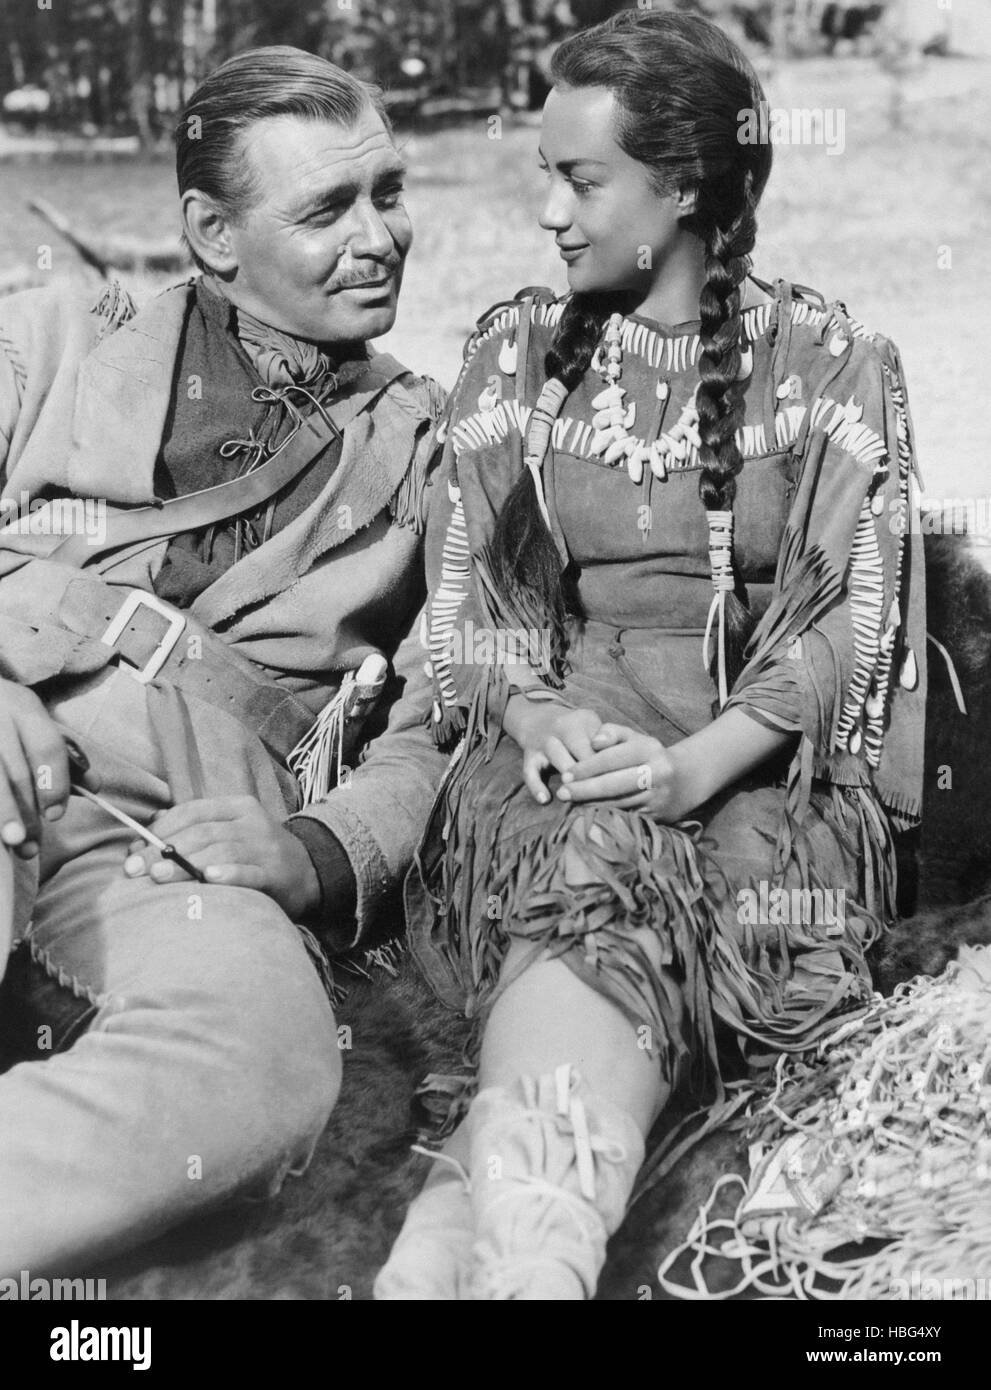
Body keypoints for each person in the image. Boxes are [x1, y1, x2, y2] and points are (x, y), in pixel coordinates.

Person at [374, 8, 926, 1300]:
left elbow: (848, 630)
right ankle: (532, 1264)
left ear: (680, 186)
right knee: (589, 849)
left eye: (578, 180)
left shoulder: (830, 362)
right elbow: (474, 603)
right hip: (564, 753)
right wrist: (534, 722)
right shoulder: (514, 351)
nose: (547, 214)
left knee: (648, 869)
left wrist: (688, 769)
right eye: (541, 177)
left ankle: (458, 1255)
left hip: (759, 775)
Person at [0, 47, 449, 1275]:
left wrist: (314, 853)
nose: (381, 237)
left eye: (390, 193)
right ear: (211, 231)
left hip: (162, 840)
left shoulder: (436, 451)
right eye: (327, 209)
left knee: (261, 1067)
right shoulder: (48, 334)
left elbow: (448, 713)